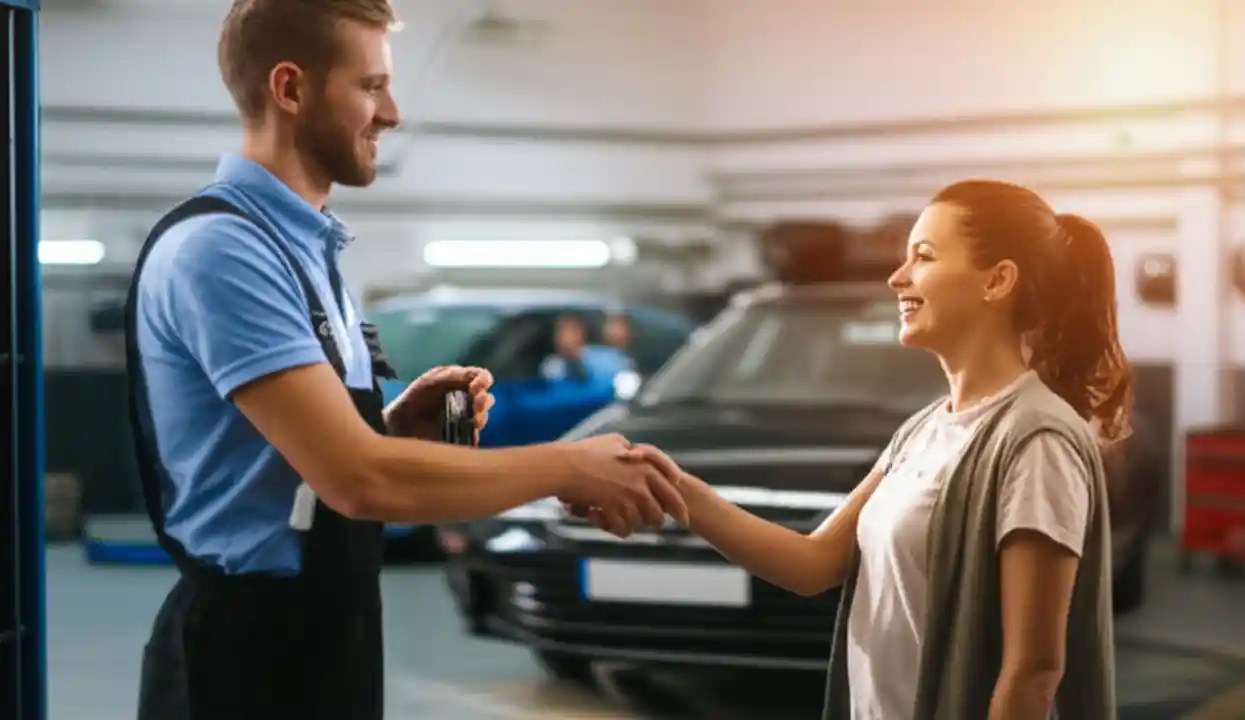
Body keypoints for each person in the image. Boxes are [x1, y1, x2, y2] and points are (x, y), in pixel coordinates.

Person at [124, 1, 687, 718]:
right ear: (290, 89)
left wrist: (392, 430)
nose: (391, 112)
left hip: (324, 630)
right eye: (369, 86)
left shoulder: (307, 248)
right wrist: (572, 465)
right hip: (245, 659)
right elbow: (356, 481)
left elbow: (306, 468)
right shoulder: (224, 249)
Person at [614, 179, 1131, 720]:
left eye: (923, 257)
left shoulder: (1036, 442)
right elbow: (811, 563)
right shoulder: (922, 431)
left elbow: (1033, 672)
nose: (897, 277)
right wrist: (675, 488)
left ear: (997, 280)